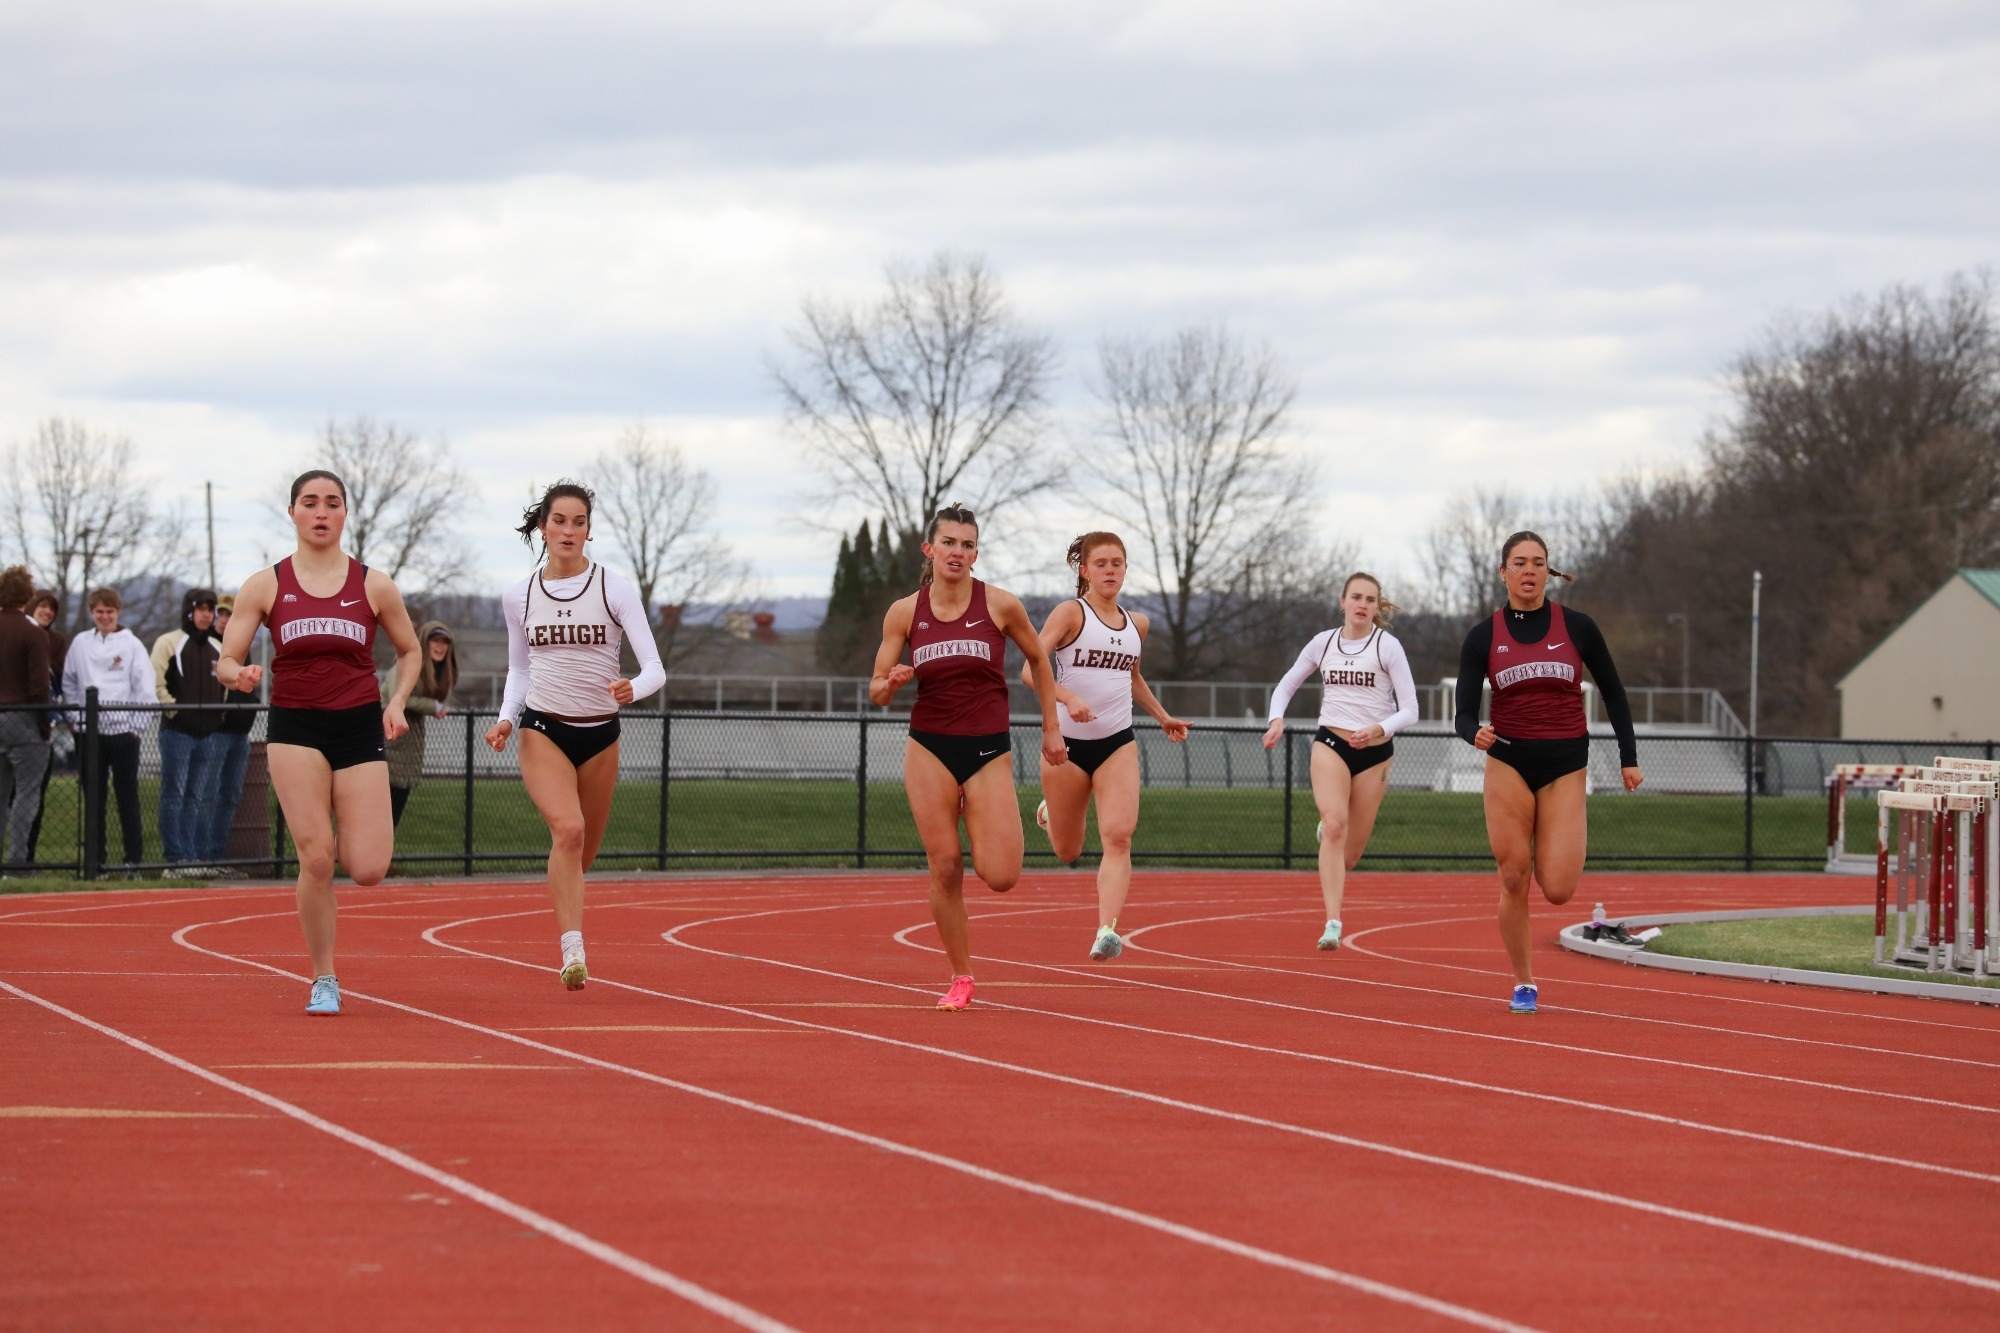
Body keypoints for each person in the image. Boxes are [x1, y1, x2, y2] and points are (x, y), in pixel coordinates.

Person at [217, 470, 420, 1016]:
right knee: (317, 856)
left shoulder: (374, 585)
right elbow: (227, 657)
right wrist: (237, 674)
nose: (321, 512)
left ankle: (347, 839)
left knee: (369, 868)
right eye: (310, 503)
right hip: (296, 728)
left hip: (358, 725)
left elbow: (410, 650)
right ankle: (323, 977)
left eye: (332, 503)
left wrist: (397, 701)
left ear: (345, 513)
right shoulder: (266, 584)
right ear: (293, 513)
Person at [869, 503, 1067, 1011]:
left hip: (986, 747)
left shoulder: (1000, 604)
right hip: (929, 747)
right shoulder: (904, 612)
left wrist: (1052, 728)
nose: (958, 552)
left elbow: (1039, 661)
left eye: (968, 544)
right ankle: (961, 976)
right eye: (949, 543)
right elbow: (876, 690)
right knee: (945, 866)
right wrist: (891, 683)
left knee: (1001, 876)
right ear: (930, 549)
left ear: (976, 553)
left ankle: (1017, 813)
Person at [1454, 531, 1641, 1014]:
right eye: (1519, 562)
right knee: (1514, 875)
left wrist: (1628, 756)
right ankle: (1524, 982)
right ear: (1504, 572)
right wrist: (1473, 733)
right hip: (1509, 761)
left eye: (1538, 562)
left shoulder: (1577, 626)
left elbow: (1614, 692)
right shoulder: (1483, 635)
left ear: (1548, 571)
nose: (1529, 570)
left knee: (1557, 889)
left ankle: (1556, 836)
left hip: (1565, 763)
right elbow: (1463, 713)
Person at [485, 483, 663, 990]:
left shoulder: (614, 588)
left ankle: (565, 905)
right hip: (543, 727)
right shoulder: (519, 595)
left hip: (601, 733)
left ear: (588, 529)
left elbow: (655, 668)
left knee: (581, 855)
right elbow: (520, 669)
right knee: (568, 830)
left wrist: (634, 688)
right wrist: (506, 717)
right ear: (543, 527)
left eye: (578, 522)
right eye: (559, 521)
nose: (568, 531)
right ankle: (572, 950)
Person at [1023, 532, 1188, 961]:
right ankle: (1049, 813)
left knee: (1118, 836)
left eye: (1117, 563)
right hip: (1066, 748)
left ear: (1126, 569)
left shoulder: (1138, 624)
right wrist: (1068, 698)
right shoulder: (1071, 613)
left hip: (1117, 743)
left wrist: (1163, 716)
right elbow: (1029, 670)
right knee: (1068, 851)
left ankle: (1106, 930)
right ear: (1085, 571)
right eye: (1101, 564)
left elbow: (1131, 677)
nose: (1110, 570)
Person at [1262, 572, 1419, 951]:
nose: (1362, 605)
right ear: (1343, 601)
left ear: (1376, 606)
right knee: (1335, 825)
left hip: (1375, 752)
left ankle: (1331, 833)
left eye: (1370, 599)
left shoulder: (1387, 647)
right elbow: (1286, 684)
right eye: (1356, 597)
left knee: (1349, 856)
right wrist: (1276, 719)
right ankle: (1332, 922)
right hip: (1331, 743)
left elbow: (1411, 709)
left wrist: (1378, 728)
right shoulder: (1323, 642)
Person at [62, 586, 155, 870]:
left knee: (127, 798)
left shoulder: (132, 645)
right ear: (92, 612)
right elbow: (69, 682)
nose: (104, 617)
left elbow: (145, 688)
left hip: (124, 734)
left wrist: (135, 727)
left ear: (118, 613)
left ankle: (133, 862)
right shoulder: (80, 643)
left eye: (109, 611)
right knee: (94, 799)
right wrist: (77, 720)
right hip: (89, 734)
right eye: (99, 611)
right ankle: (96, 862)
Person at [151, 588, 226, 876]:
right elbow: (156, 683)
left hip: (208, 735)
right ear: (189, 610)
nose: (206, 615)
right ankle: (175, 859)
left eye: (210, 609)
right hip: (177, 734)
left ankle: (192, 858)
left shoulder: (218, 647)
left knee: (197, 797)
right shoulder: (168, 643)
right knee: (175, 794)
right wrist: (175, 712)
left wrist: (217, 716)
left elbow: (225, 688)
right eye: (201, 608)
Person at [202, 592, 260, 870]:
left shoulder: (242, 645)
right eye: (221, 614)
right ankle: (202, 855)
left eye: (230, 614)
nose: (225, 620)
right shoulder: (207, 646)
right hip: (216, 731)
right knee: (208, 793)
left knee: (230, 795)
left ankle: (216, 855)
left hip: (240, 733)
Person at [0, 566, 52, 871]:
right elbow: (39, 687)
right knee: (26, 794)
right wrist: (44, 726)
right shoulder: (33, 633)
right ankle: (17, 862)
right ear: (28, 596)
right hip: (23, 718)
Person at [388, 622, 457, 827]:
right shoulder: (405, 666)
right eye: (435, 640)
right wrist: (432, 706)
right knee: (380, 816)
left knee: (394, 814)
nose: (440, 646)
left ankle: (385, 848)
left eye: (445, 642)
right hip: (388, 738)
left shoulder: (435, 672)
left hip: (409, 745)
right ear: (424, 643)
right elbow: (395, 698)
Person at [22, 589, 67, 863]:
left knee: (35, 793)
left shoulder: (57, 641)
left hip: (44, 723)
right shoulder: (19, 633)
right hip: (18, 718)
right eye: (42, 605)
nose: (47, 611)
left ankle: (26, 856)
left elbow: (60, 679)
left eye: (52, 608)